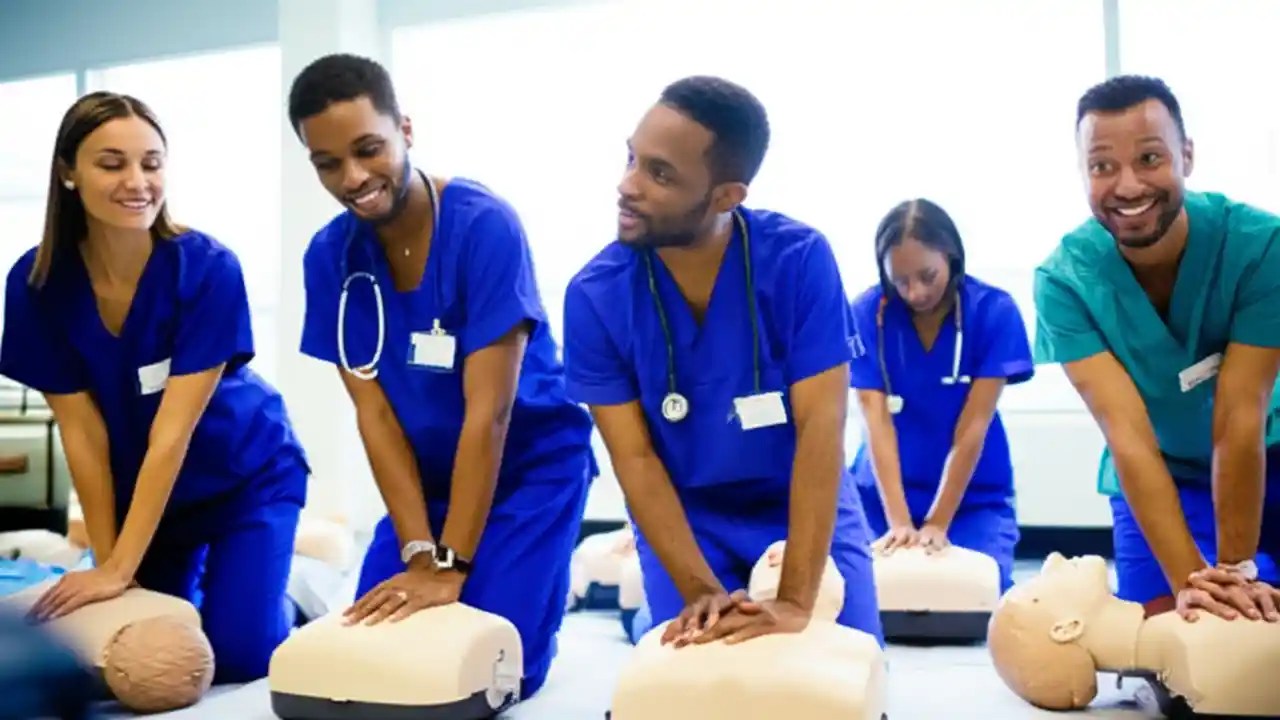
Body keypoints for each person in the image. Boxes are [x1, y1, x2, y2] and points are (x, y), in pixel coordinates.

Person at [287, 53, 595, 699]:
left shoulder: (483, 226)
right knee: (378, 655)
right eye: (328, 163)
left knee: (492, 663)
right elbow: (373, 414)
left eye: (368, 149)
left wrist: (450, 564)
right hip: (428, 486)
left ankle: (542, 583)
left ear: (405, 129)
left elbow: (492, 415)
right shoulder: (330, 257)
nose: (353, 177)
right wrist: (420, 552)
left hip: (529, 470)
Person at [562, 75, 883, 648]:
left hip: (801, 502)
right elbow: (635, 458)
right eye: (632, 158)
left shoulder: (798, 260)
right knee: (693, 660)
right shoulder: (595, 294)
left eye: (660, 174)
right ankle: (649, 612)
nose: (627, 185)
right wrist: (696, 589)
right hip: (688, 516)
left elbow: (821, 429)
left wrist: (794, 601)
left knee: (838, 659)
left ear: (726, 196)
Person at [0, 91, 310, 683]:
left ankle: (286, 597)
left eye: (151, 162)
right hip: (149, 498)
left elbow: (172, 435)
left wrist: (120, 568)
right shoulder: (37, 283)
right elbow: (82, 432)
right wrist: (110, 566)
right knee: (143, 644)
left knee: (238, 655)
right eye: (111, 163)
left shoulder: (207, 268)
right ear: (68, 173)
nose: (137, 182)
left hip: (244, 476)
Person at [1034, 74, 1280, 623]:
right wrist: (1193, 580)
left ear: (1185, 156)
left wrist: (1233, 571)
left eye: (1149, 158)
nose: (1127, 186)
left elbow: (1240, 416)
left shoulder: (1261, 247)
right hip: (1157, 472)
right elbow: (1128, 436)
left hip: (1268, 452)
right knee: (1170, 635)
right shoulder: (1065, 281)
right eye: (1102, 166)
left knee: (1255, 624)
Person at [848, 199, 1033, 594]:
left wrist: (937, 522)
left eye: (927, 276)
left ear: (951, 255)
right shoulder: (867, 314)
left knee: (980, 588)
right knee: (856, 588)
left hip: (970, 500)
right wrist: (899, 522)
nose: (915, 292)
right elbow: (875, 422)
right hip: (878, 498)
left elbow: (974, 426)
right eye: (900, 280)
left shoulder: (993, 312)